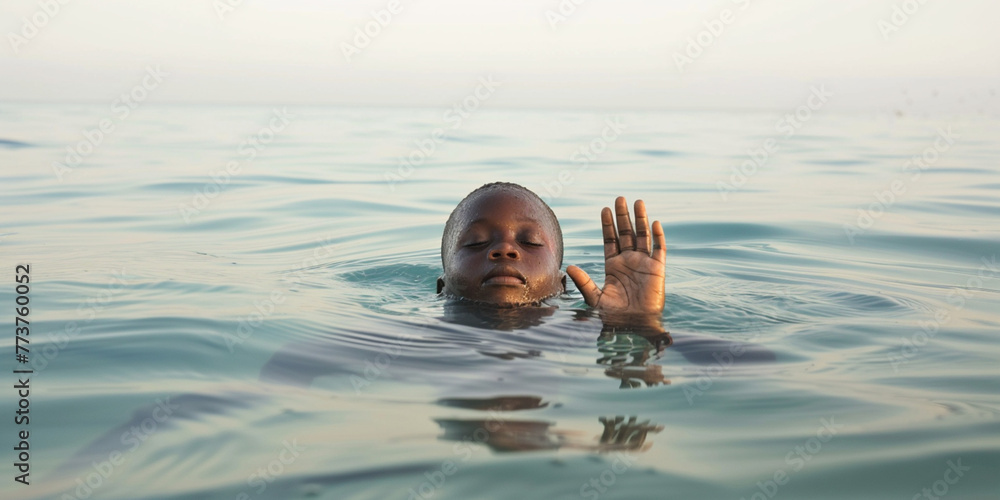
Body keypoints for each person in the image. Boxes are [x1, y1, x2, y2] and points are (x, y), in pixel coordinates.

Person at [437, 181, 667, 330]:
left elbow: (702, 362)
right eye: (476, 242)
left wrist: (638, 322)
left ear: (562, 285)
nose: (506, 249)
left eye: (530, 241)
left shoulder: (582, 335)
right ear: (442, 286)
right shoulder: (413, 338)